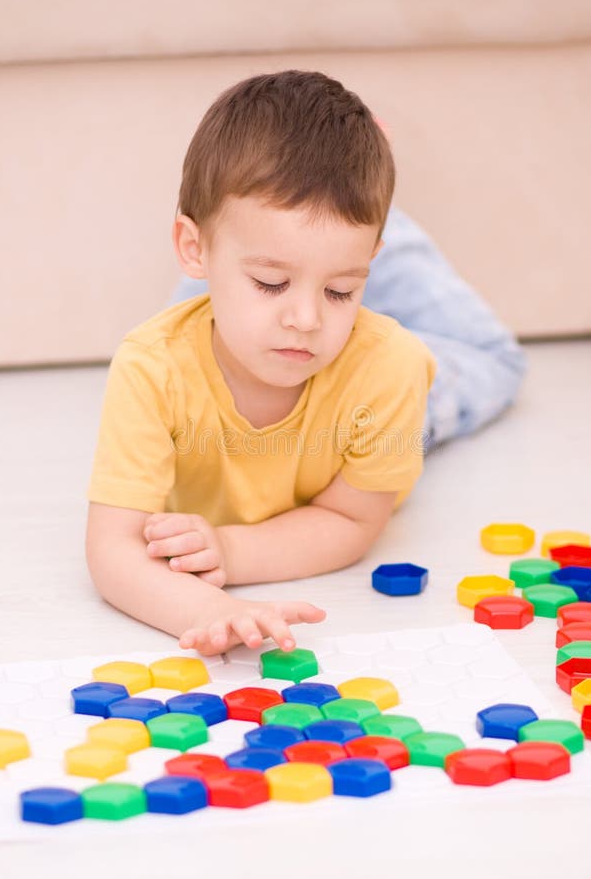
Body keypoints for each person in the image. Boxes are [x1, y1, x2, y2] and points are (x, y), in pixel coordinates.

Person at [85, 69, 524, 658]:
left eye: (342, 290)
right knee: (216, 285)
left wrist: (232, 550)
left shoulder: (392, 368)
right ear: (187, 246)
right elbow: (111, 549)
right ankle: (328, 212)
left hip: (383, 402)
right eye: (271, 283)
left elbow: (351, 520)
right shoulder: (150, 366)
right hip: (217, 314)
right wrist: (208, 609)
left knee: (490, 363)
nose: (307, 320)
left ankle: (360, 210)